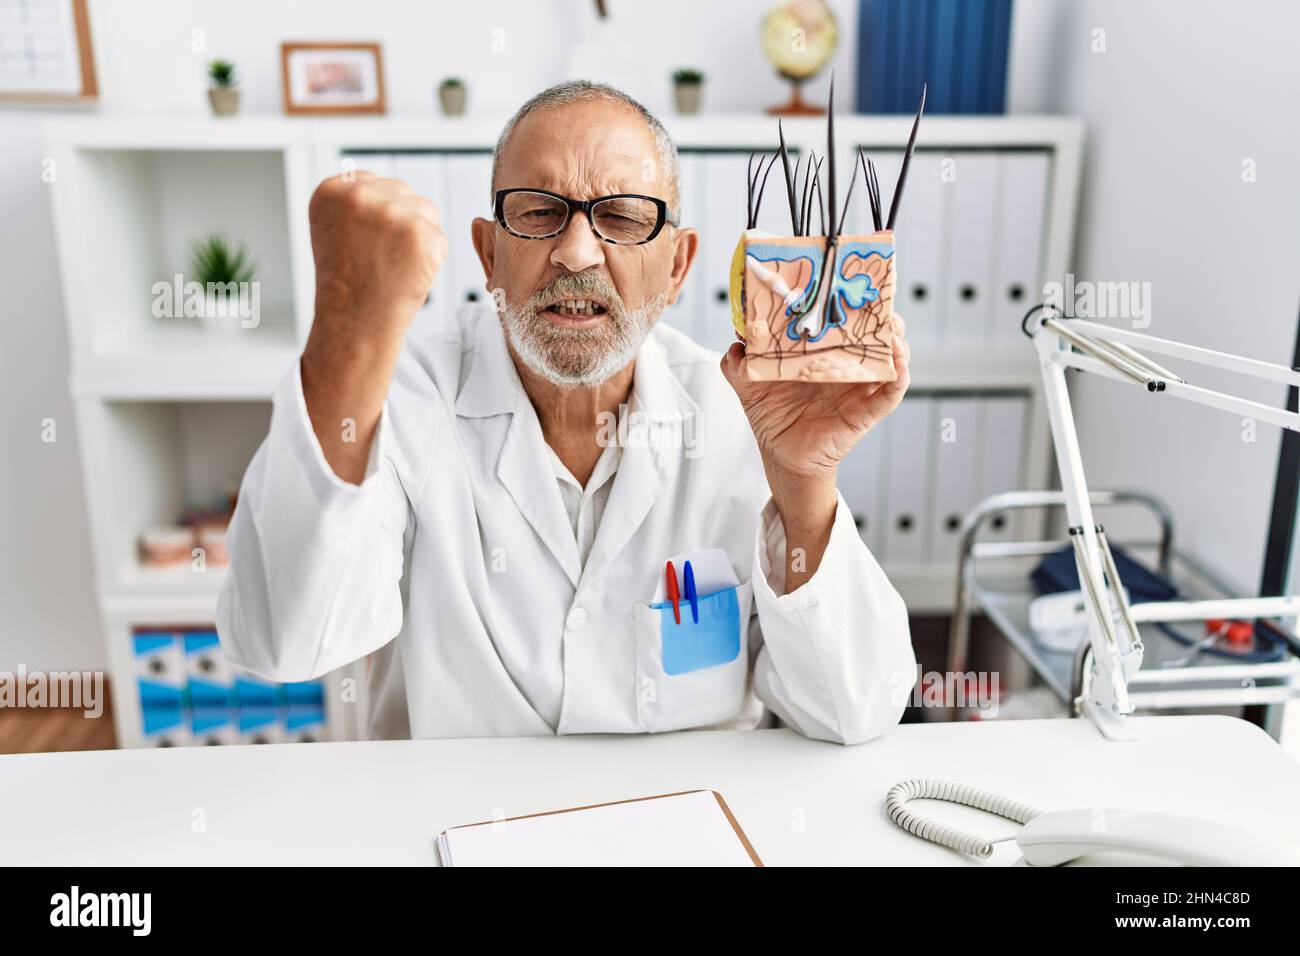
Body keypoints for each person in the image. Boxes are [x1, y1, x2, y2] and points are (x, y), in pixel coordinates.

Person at [217, 81, 916, 743]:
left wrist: (803, 481)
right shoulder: (402, 396)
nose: (576, 251)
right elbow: (283, 641)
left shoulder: (743, 409)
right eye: (539, 211)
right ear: (489, 254)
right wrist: (348, 321)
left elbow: (853, 709)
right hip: (453, 828)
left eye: (620, 217)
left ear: (677, 268)